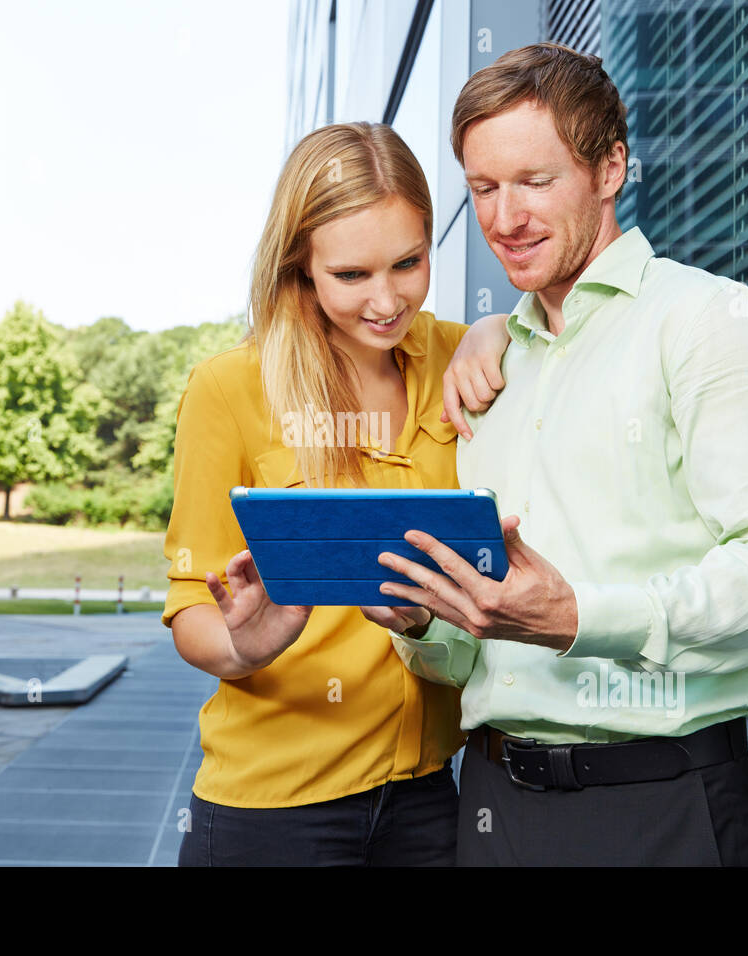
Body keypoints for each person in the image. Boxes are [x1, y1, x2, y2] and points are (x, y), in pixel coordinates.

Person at [364, 42, 748, 866]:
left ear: (611, 168)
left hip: (665, 809)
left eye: (535, 182)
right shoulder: (487, 367)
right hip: (494, 805)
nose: (504, 218)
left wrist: (581, 617)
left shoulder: (713, 324)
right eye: (483, 188)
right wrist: (420, 623)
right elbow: (475, 645)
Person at [161, 121, 512, 866]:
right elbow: (192, 603)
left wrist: (493, 328)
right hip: (273, 811)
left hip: (428, 799)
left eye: (408, 263)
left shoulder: (457, 354)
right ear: (301, 268)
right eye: (351, 276)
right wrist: (241, 647)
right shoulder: (228, 389)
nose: (387, 300)